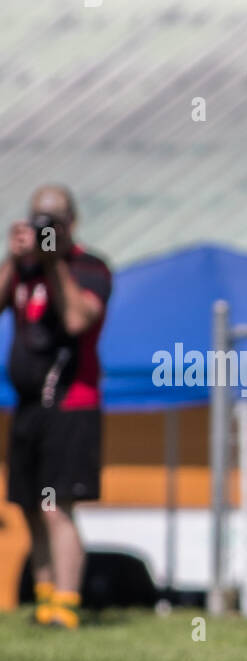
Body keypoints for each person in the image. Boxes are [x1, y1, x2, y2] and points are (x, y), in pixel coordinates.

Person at [0, 185, 111, 629]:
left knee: (57, 506)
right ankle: (44, 597)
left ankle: (66, 601)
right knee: (28, 504)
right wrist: (13, 258)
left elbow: (76, 319)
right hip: (26, 406)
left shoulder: (89, 267)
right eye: (38, 217)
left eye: (54, 219)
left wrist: (53, 263)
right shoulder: (22, 269)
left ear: (72, 223)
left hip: (71, 403)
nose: (45, 226)